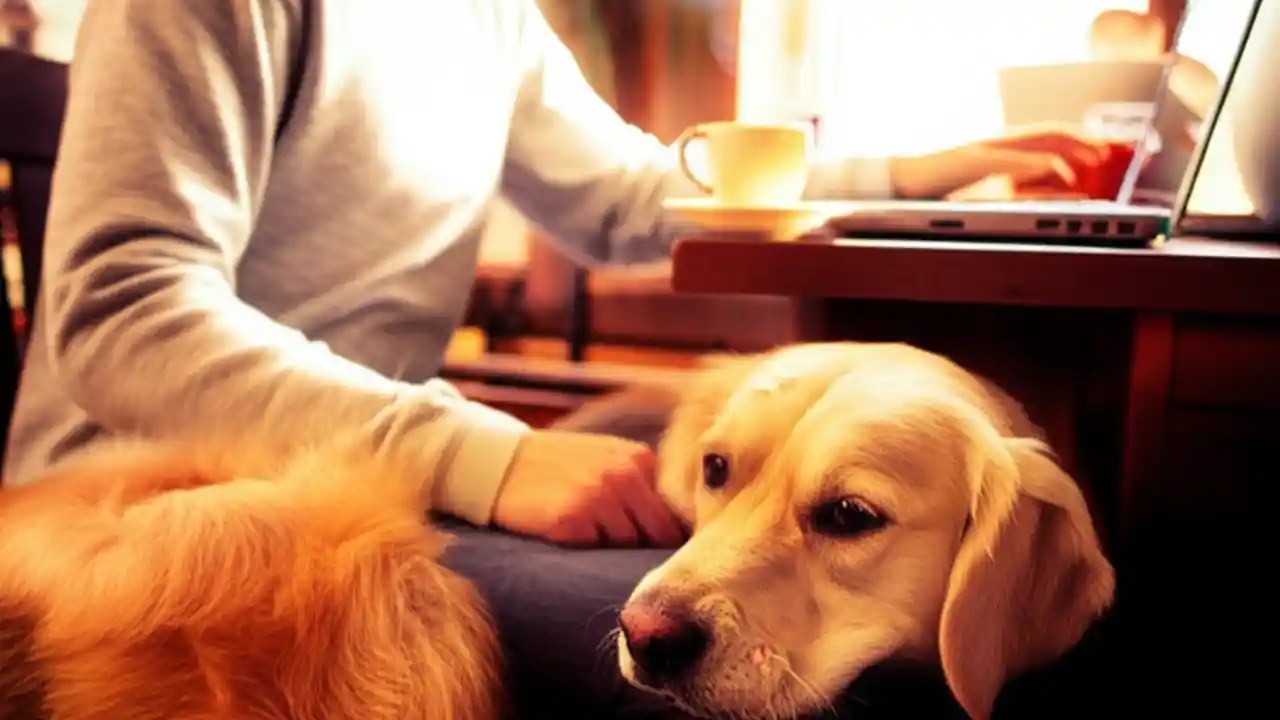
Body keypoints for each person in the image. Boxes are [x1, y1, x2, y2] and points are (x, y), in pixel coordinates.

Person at [2, 0, 1109, 713]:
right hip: (142, 494)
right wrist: (489, 457)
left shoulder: (484, 18)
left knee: (692, 459)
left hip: (370, 461)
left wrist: (919, 175)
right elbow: (121, 311)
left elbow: (632, 199)